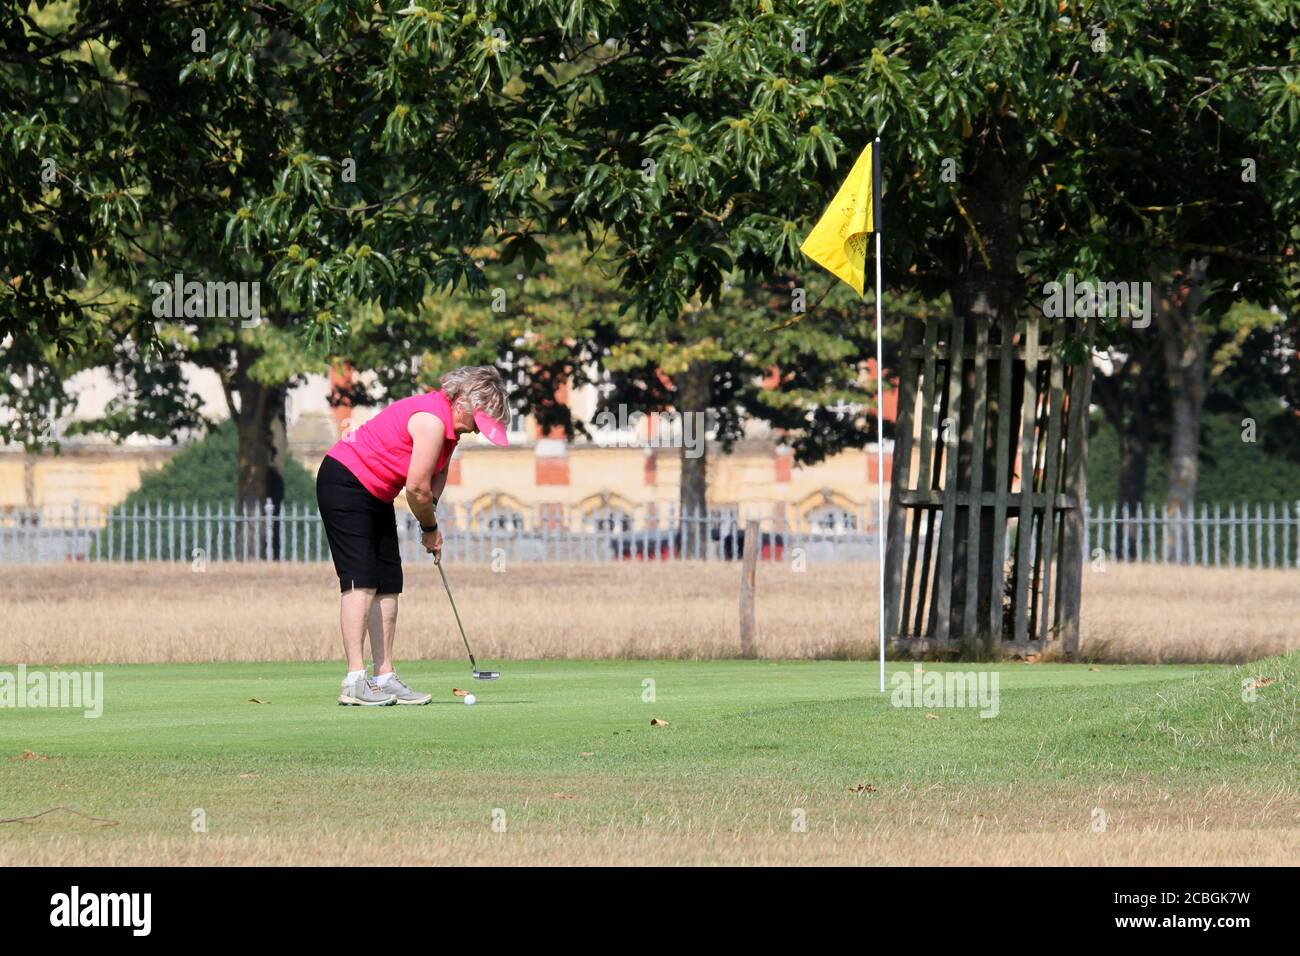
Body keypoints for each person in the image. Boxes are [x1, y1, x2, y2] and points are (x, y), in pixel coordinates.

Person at [316, 365, 510, 706]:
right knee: (360, 579)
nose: (476, 432)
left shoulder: (450, 433)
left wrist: (430, 520)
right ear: (463, 402)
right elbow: (416, 489)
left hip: (377, 492)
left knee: (388, 581)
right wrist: (430, 528)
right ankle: (355, 680)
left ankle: (385, 677)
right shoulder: (431, 420)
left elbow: (432, 485)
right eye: (477, 423)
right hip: (345, 481)